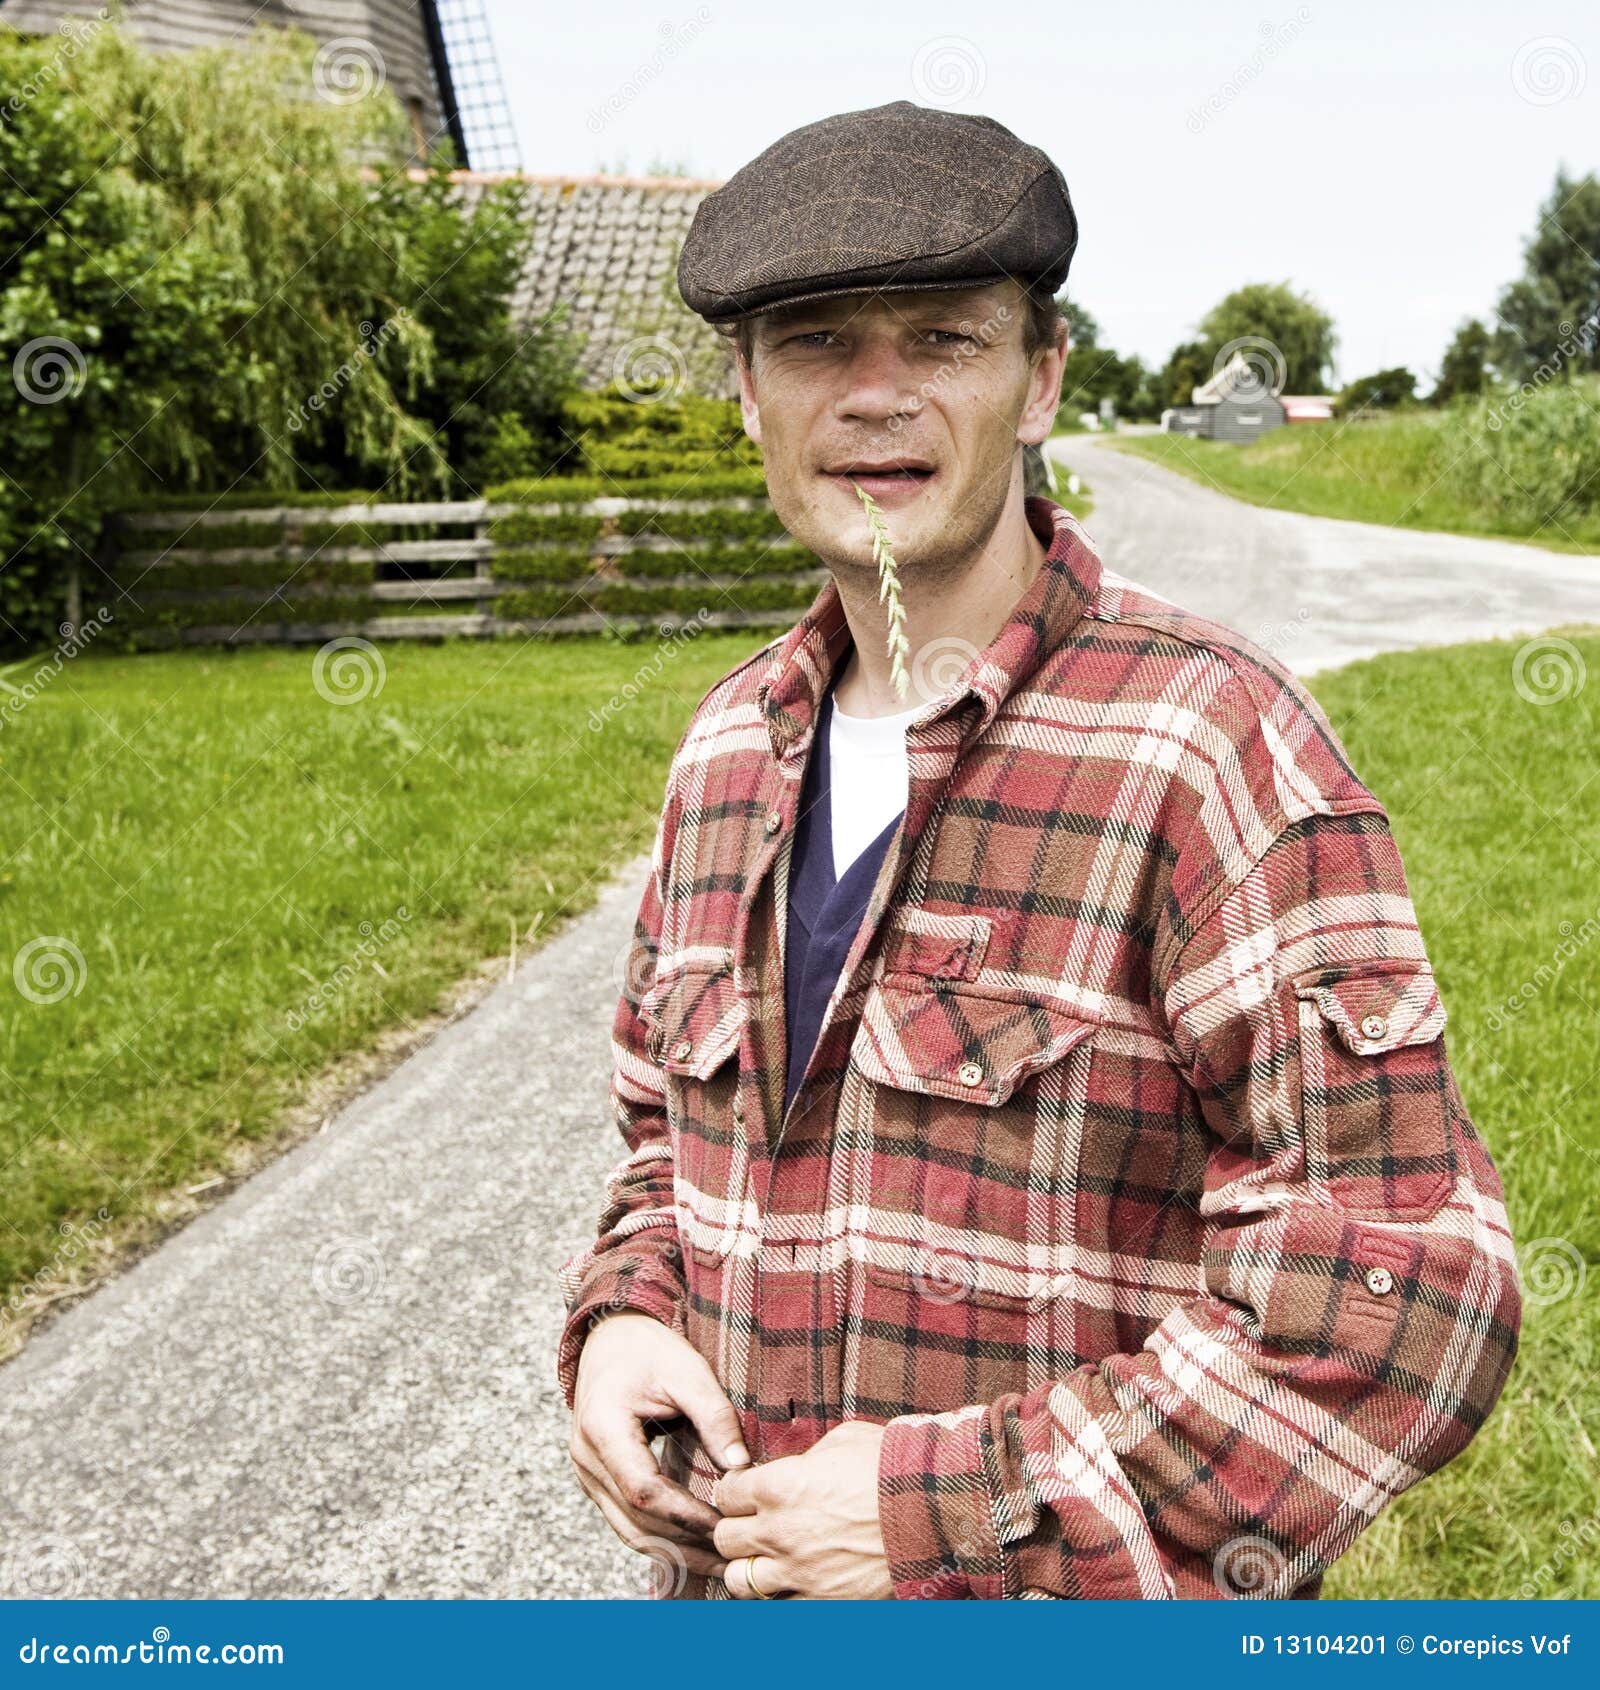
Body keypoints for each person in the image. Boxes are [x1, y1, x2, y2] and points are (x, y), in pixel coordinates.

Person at [557, 99, 1521, 1600]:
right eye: (816, 345)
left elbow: (1409, 1301)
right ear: (746, 392)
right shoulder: (725, 753)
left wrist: (951, 1516)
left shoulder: (1207, 746)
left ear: (1043, 378)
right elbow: (658, 1156)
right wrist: (626, 1316)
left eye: (942, 340)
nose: (875, 399)